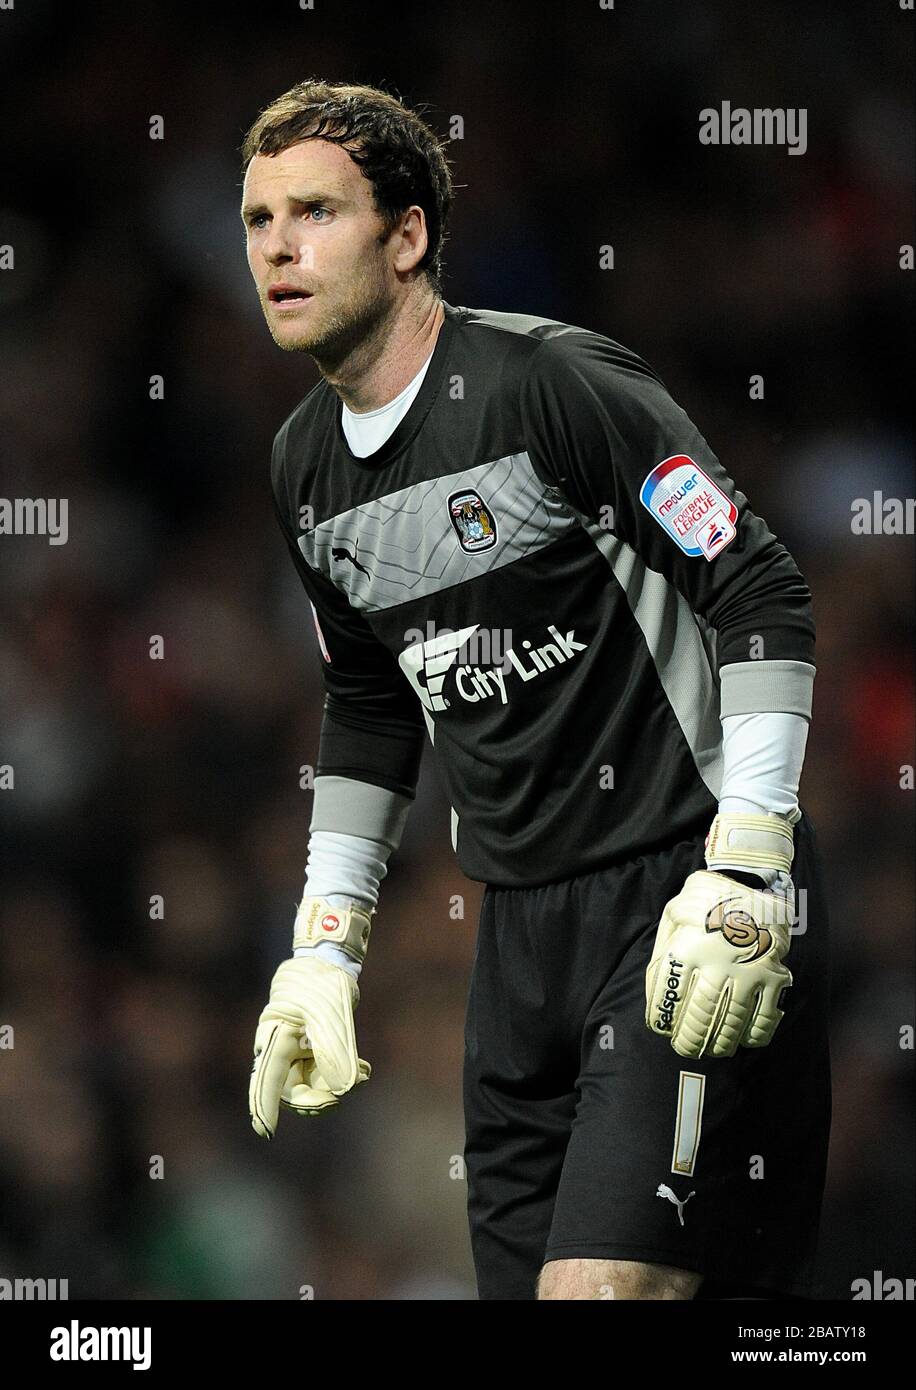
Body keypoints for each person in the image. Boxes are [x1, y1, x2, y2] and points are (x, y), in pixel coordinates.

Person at [241, 78, 831, 1301]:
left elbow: (757, 588)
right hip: (515, 944)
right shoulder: (303, 470)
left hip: (679, 897)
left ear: (406, 238)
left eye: (314, 212)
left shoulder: (548, 386)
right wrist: (323, 948)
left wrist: (751, 859)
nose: (278, 248)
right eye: (256, 221)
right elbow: (366, 704)